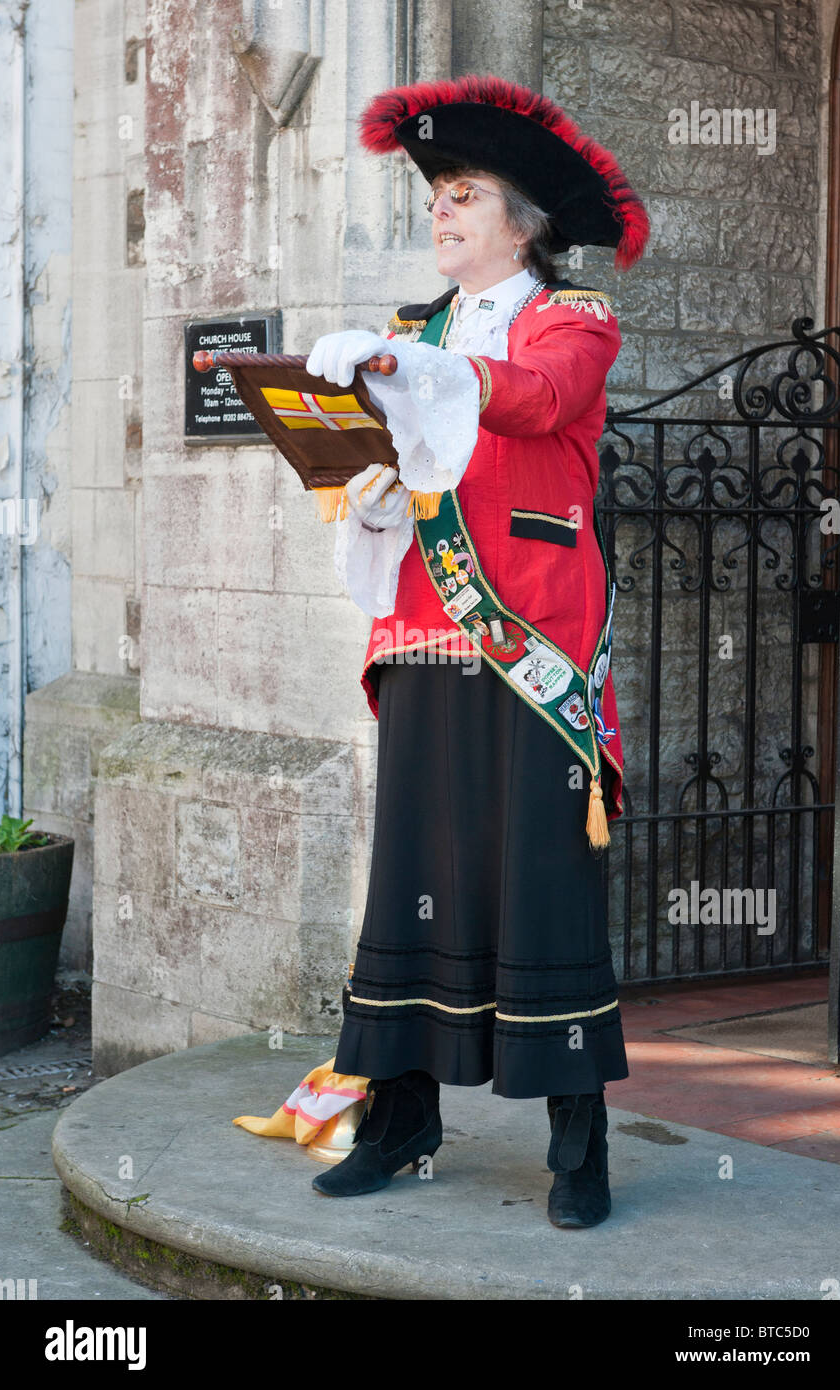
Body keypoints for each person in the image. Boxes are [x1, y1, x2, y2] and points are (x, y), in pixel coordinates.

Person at [303, 73, 649, 1228]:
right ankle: (400, 1121)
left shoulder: (574, 320)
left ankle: (577, 1146)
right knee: (413, 873)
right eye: (436, 197)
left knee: (542, 886)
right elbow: (408, 466)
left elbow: (540, 404)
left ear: (522, 222)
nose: (441, 214)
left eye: (463, 195)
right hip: (422, 632)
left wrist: (406, 374)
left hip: (529, 636)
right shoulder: (413, 334)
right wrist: (367, 485)